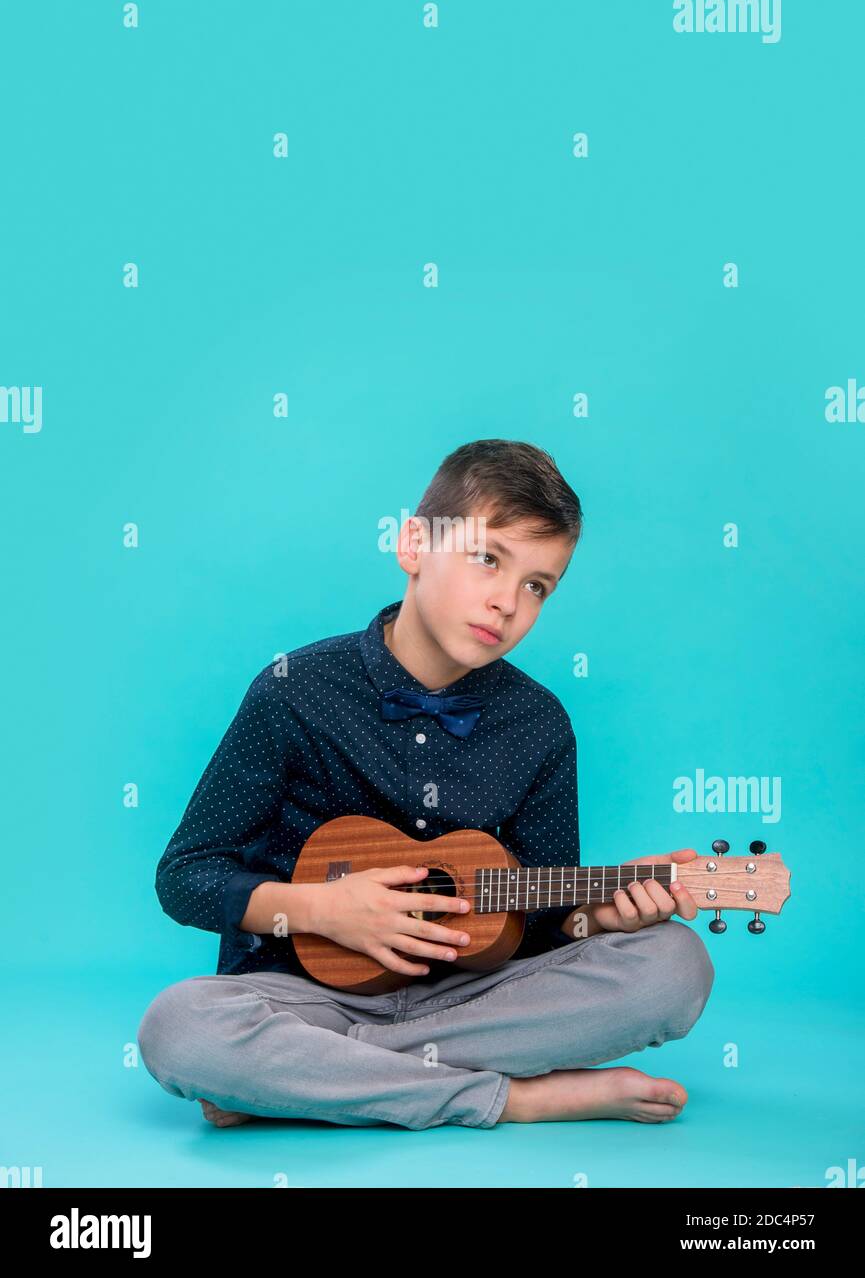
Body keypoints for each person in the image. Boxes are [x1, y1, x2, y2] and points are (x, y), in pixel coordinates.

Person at [137, 438, 714, 1130]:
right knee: (180, 1027)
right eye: (487, 559)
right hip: (304, 994)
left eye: (537, 586)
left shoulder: (539, 724)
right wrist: (320, 911)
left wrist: (596, 915)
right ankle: (513, 1098)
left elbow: (533, 930)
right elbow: (185, 876)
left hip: (474, 1000)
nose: (507, 602)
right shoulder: (293, 691)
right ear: (413, 544)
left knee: (675, 965)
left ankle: (308, 1080)